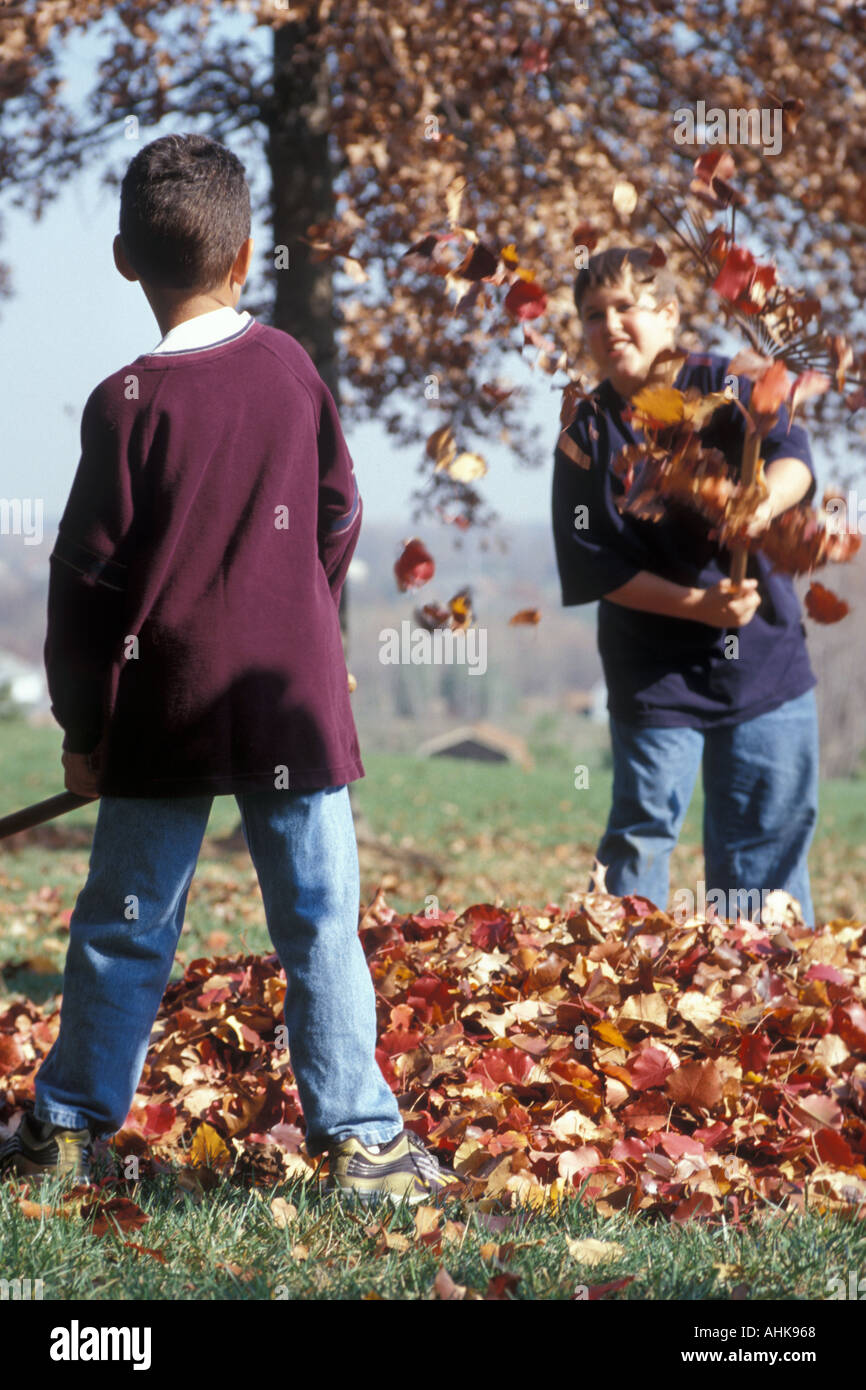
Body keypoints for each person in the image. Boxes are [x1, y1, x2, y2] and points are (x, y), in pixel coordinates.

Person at [0, 133, 461, 1205]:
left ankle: (69, 1130)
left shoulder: (123, 405)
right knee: (317, 923)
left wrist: (83, 728)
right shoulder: (290, 368)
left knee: (124, 921)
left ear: (123, 259)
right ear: (248, 254)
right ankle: (362, 1145)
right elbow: (337, 510)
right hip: (288, 704)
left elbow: (87, 586)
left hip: (161, 710)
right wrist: (305, 615)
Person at [552, 246, 819, 928]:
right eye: (591, 315)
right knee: (640, 839)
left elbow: (794, 460)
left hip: (763, 664)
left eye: (624, 307)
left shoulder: (728, 385)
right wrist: (700, 607)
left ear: (668, 315)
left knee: (764, 855)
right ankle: (626, 989)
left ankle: (771, 1005)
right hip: (654, 673)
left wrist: (761, 504)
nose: (608, 325)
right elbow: (597, 565)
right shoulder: (586, 431)